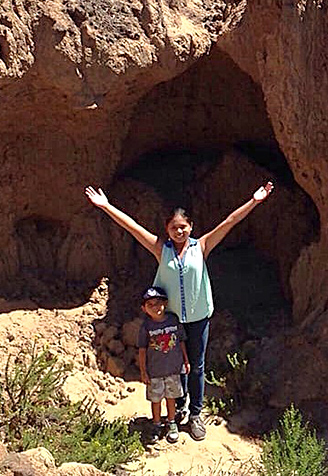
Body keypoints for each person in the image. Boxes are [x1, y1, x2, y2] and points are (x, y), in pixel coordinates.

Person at [85, 180, 274, 441]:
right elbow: (133, 227)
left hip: (198, 319)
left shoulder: (202, 246)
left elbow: (230, 222)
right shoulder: (161, 250)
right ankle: (178, 412)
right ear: (167, 229)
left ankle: (195, 414)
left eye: (183, 227)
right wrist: (106, 206)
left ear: (191, 227)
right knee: (175, 368)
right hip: (171, 322)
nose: (179, 231)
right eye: (174, 228)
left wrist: (255, 201)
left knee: (196, 366)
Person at [138, 285, 190, 443]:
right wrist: (143, 371)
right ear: (144, 308)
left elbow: (181, 341)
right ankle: (156, 424)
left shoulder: (173, 320)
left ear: (165, 303)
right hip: (155, 371)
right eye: (150, 305)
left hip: (173, 369)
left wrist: (186, 361)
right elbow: (142, 350)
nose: (155, 307)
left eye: (158, 303)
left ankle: (171, 422)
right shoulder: (146, 327)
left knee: (171, 397)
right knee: (156, 399)